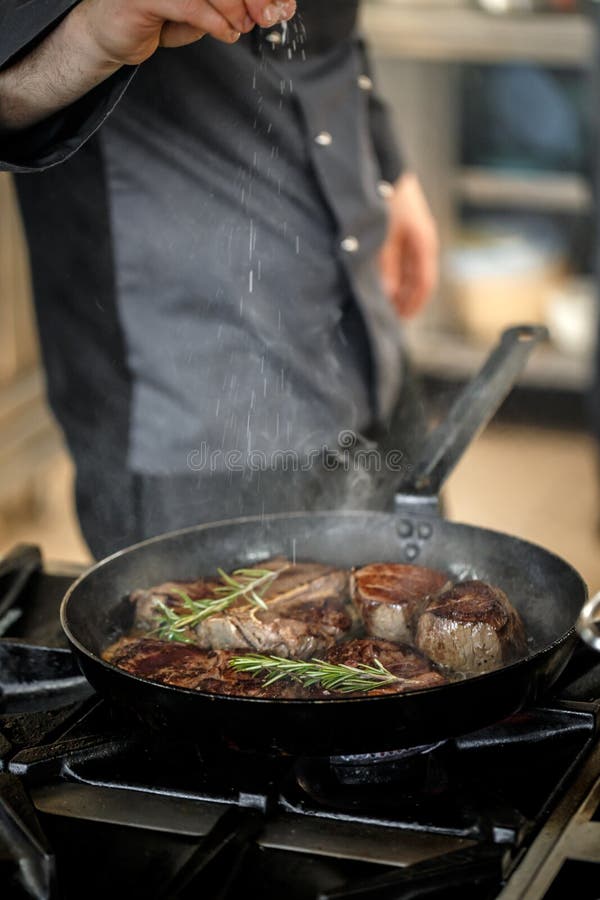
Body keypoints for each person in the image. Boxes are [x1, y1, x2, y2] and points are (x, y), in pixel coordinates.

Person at [0, 0, 438, 558]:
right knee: (204, 613)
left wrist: (388, 161)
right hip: (201, 392)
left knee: (425, 584)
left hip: (365, 322)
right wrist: (87, 31)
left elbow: (332, 28)